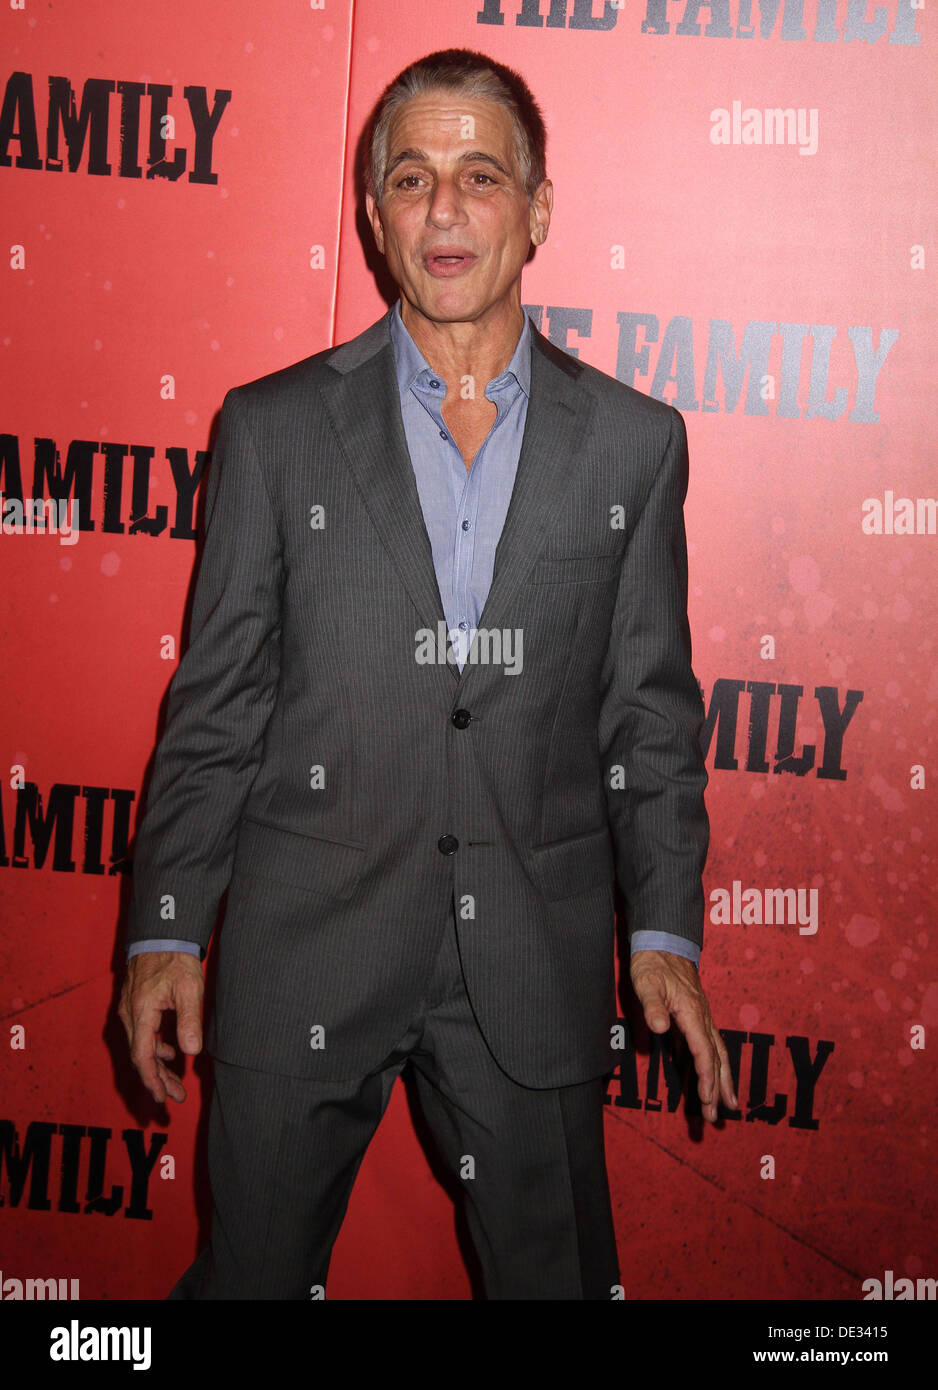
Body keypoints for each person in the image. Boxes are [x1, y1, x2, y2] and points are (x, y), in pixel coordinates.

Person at [119, 47, 736, 1301]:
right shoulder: (271, 427)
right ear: (371, 215)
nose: (444, 210)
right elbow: (219, 706)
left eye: (478, 176)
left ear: (539, 210)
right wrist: (170, 925)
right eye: (410, 178)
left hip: (529, 958)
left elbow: (650, 716)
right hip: (307, 945)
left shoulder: (633, 444)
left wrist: (664, 927)